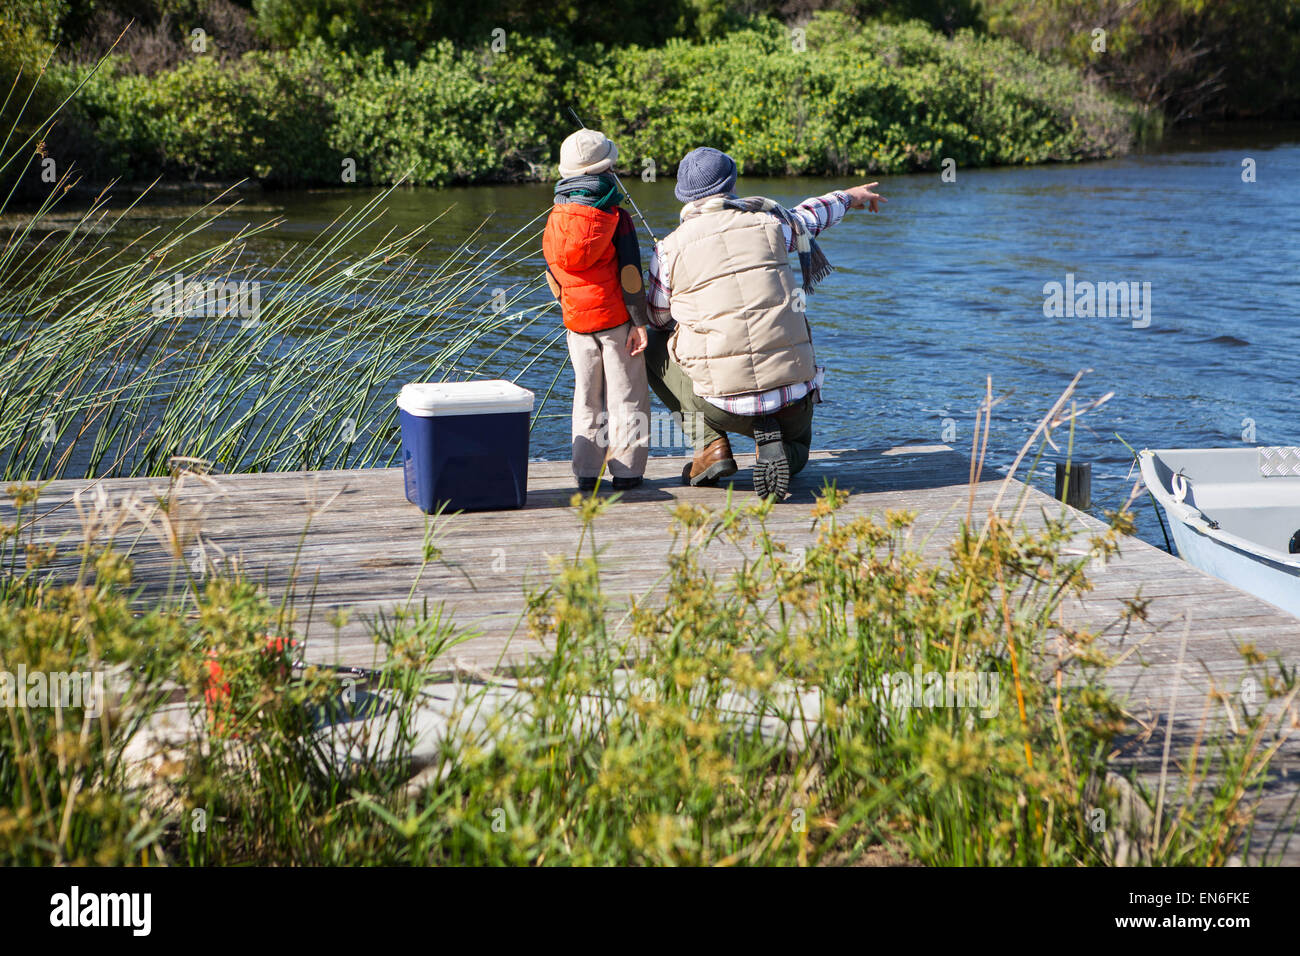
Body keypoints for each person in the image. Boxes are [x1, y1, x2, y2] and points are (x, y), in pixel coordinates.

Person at [645, 146, 885, 499]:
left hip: (721, 406)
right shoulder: (772, 222)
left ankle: (710, 445)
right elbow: (812, 215)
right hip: (792, 404)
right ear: (732, 185)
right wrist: (850, 197)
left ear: (684, 196)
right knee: (800, 446)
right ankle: (782, 451)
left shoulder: (668, 250)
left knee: (651, 344)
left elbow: (657, 316)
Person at [542, 129, 652, 492]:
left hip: (577, 323)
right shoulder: (616, 217)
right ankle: (628, 473)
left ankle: (586, 473)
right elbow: (630, 275)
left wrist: (568, 307)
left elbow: (551, 269)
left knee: (586, 395)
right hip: (617, 322)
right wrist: (640, 323)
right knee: (627, 395)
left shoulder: (555, 216)